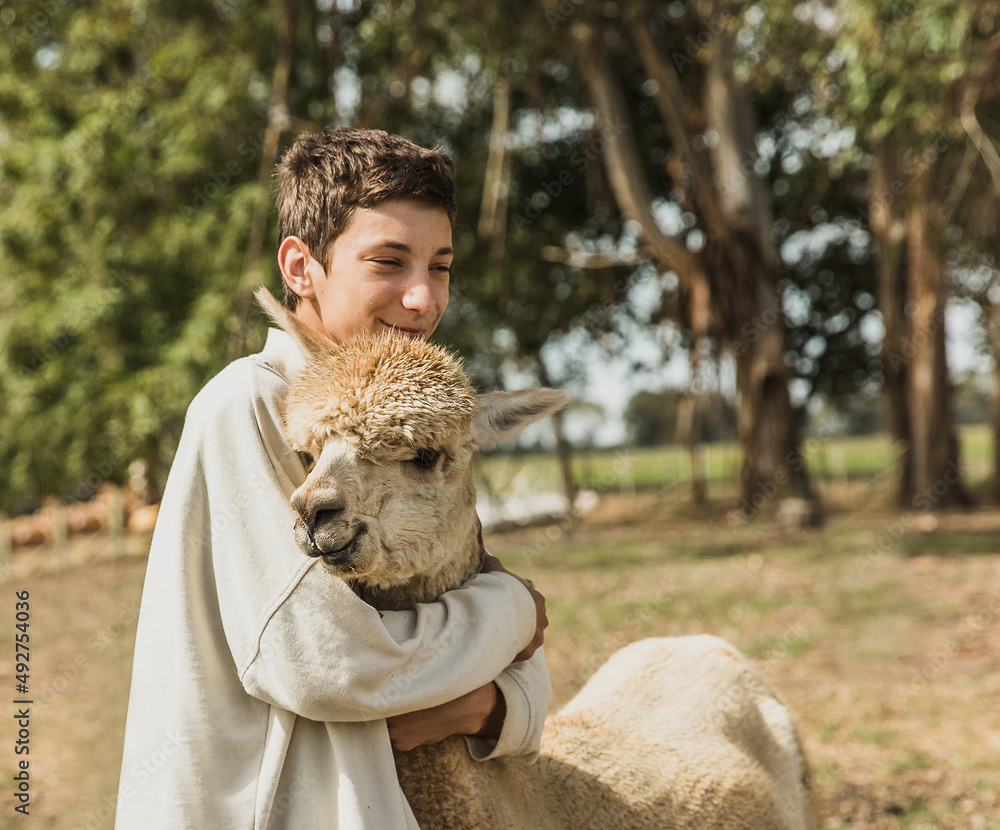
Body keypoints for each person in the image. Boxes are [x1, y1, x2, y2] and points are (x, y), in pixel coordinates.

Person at [115, 127, 551, 829]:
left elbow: (446, 585)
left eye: (440, 266)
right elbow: (327, 664)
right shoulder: (251, 402)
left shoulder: (403, 422)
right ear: (300, 267)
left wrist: (502, 704)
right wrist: (514, 613)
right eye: (389, 261)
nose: (421, 299)